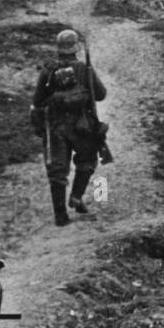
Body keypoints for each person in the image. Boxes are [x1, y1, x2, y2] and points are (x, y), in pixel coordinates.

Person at [32, 29, 107, 226]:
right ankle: (76, 196)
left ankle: (60, 215)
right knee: (88, 161)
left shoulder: (48, 71)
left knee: (57, 171)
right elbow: (101, 94)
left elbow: (38, 101)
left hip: (56, 127)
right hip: (82, 125)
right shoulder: (84, 69)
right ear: (76, 48)